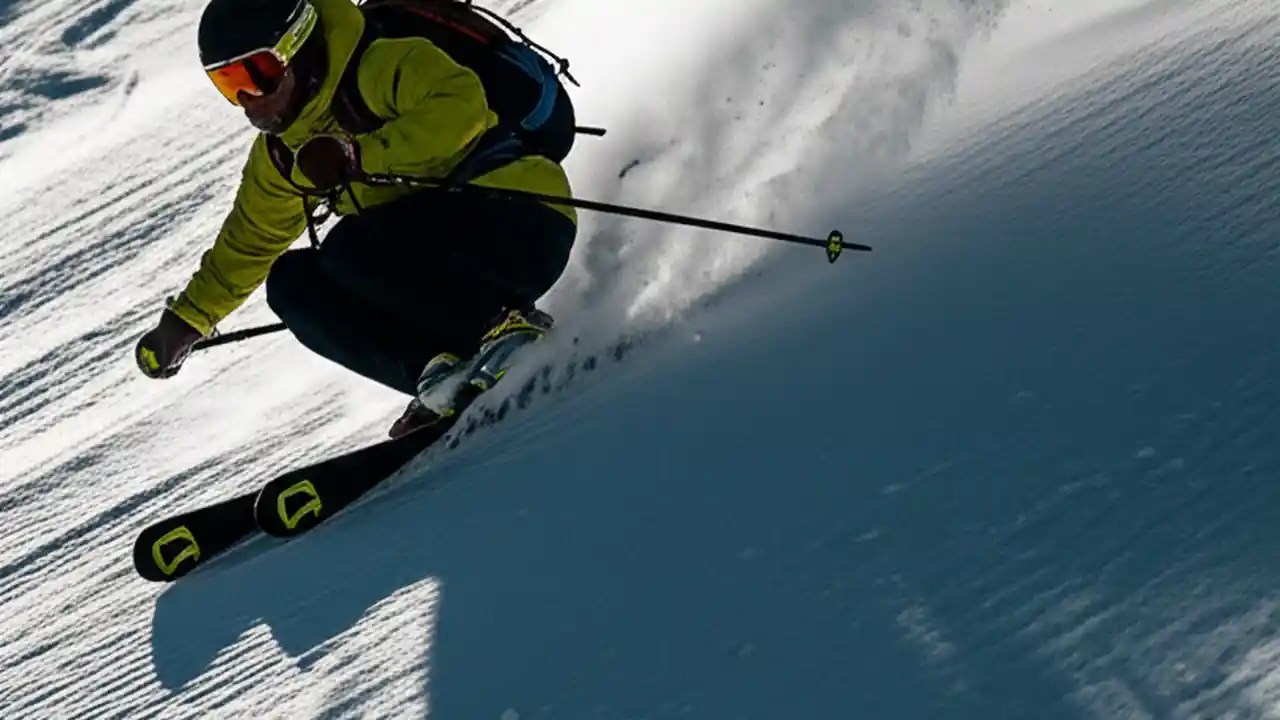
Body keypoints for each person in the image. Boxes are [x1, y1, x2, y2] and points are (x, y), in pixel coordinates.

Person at [134, 0, 577, 438]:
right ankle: (442, 377)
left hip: (521, 221)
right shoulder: (283, 153)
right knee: (291, 284)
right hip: (439, 264)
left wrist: (360, 154)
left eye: (257, 74)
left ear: (297, 46)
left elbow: (461, 107)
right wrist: (185, 323)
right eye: (229, 84)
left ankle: (506, 330)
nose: (248, 100)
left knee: (348, 248)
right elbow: (250, 241)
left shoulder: (378, 64)